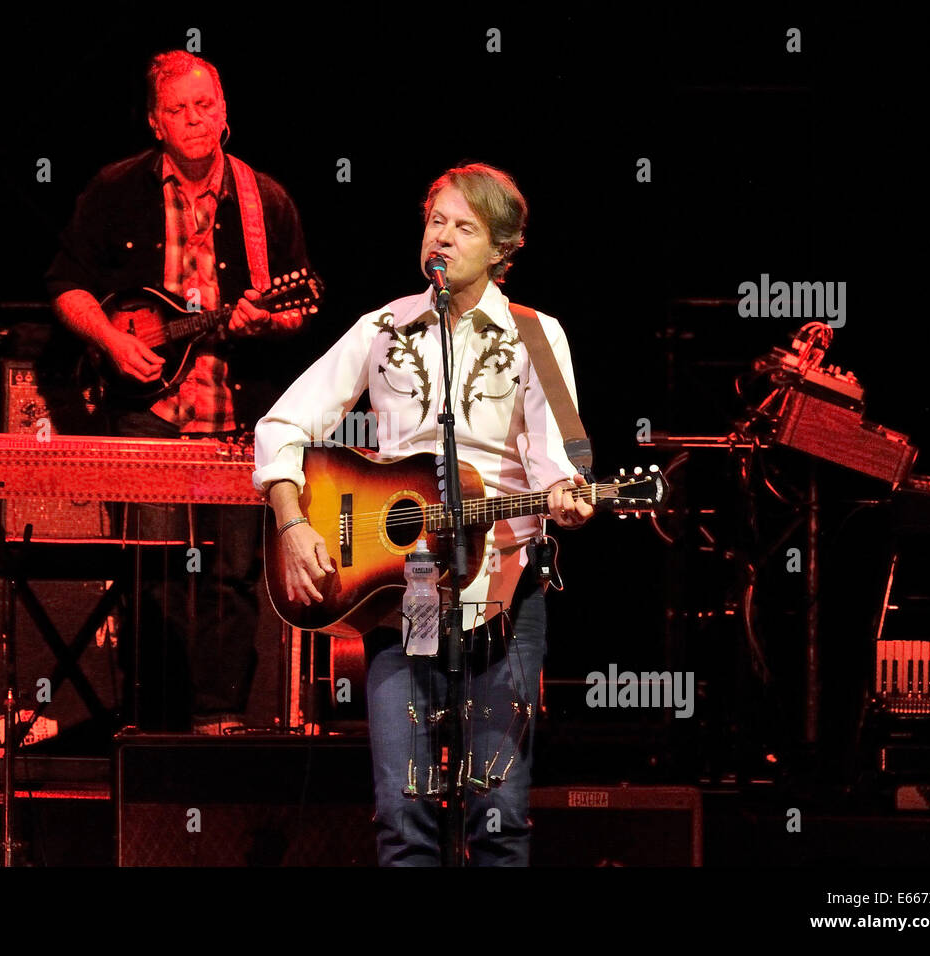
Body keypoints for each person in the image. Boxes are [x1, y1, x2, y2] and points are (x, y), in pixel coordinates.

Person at [252, 163, 594, 864]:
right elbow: (280, 425)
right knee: (402, 815)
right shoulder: (382, 326)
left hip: (503, 591)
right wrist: (292, 523)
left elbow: (565, 449)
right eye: (436, 220)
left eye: (463, 227)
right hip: (400, 595)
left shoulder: (538, 334)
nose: (441, 236)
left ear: (503, 249)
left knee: (498, 815)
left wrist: (570, 492)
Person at [46, 50, 311, 733]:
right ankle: (153, 721)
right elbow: (66, 284)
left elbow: (301, 309)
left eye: (205, 107)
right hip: (147, 415)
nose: (194, 121)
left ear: (225, 114)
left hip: (236, 416)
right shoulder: (115, 189)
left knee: (233, 577)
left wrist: (266, 320)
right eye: (178, 110)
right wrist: (111, 339)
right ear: (154, 122)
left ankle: (218, 716)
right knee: (151, 575)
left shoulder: (266, 200)